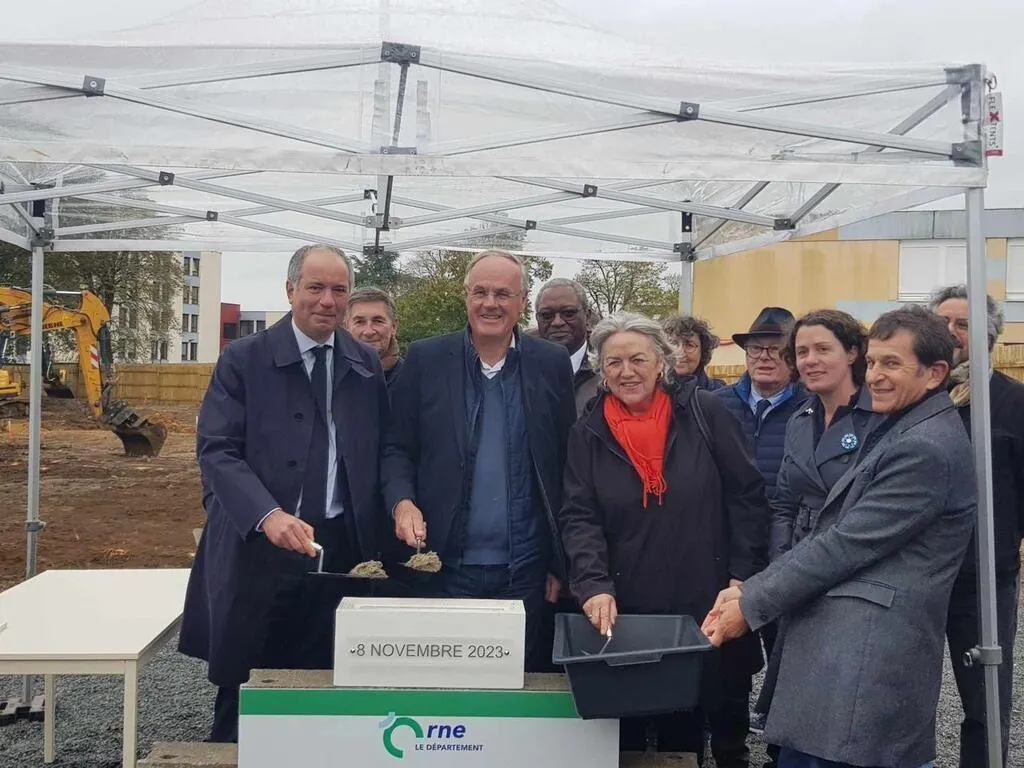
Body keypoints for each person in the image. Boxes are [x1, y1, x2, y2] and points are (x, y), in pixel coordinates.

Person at [702, 305, 977, 768]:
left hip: (869, 653)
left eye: (892, 364)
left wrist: (751, 604)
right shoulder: (896, 425)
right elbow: (805, 517)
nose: (877, 376)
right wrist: (753, 586)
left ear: (935, 374)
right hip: (836, 639)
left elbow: (845, 541)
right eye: (874, 362)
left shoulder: (924, 448)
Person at [179, 244, 389, 744]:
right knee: (246, 685)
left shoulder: (364, 364)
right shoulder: (243, 360)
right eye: (315, 288)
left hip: (337, 550)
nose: (328, 300)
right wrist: (267, 513)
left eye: (339, 290)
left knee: (324, 681)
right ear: (291, 289)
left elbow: (381, 450)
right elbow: (217, 450)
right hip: (260, 548)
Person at [559, 312, 768, 766]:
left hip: (703, 600)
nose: (626, 371)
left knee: (687, 732)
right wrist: (592, 583)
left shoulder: (704, 412)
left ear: (662, 364)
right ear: (601, 369)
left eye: (637, 359)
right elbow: (580, 516)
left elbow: (748, 496)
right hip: (626, 605)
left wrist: (741, 576)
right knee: (625, 734)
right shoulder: (587, 433)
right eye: (613, 362)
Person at [382, 250, 577, 669]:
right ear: (465, 296)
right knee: (450, 684)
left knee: (518, 689)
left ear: (522, 302)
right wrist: (402, 501)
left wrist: (560, 562)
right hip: (444, 564)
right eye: (481, 292)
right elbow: (397, 446)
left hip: (525, 569)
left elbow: (565, 463)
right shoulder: (427, 359)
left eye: (503, 293)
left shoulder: (551, 363)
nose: (491, 303)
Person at [754, 310, 878, 764]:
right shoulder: (800, 419)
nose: (810, 360)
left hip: (849, 567)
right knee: (796, 685)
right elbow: (783, 503)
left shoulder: (876, 419)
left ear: (852, 352)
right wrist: (781, 563)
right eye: (802, 351)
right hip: (797, 564)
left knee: (839, 698)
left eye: (823, 349)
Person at [929, 285, 1024, 768]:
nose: (951, 334)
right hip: (918, 574)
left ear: (990, 335)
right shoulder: (918, 400)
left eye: (962, 324)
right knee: (904, 696)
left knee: (984, 702)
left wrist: (1006, 546)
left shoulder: (1013, 402)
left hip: (982, 580)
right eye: (942, 323)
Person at [714, 306, 804, 743]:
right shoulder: (716, 404)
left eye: (775, 348)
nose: (764, 356)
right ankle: (731, 750)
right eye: (756, 348)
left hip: (790, 551)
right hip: (731, 550)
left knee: (790, 655)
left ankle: (782, 749)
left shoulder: (813, 407)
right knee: (732, 654)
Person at [535, 277, 600, 413]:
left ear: (587, 316)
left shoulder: (608, 370)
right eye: (547, 315)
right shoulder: (519, 368)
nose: (557, 322)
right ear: (537, 319)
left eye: (568, 313)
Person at [344, 286, 404, 385]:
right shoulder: (330, 378)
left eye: (378, 321)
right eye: (360, 322)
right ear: (346, 327)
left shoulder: (414, 380)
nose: (369, 332)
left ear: (394, 326)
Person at [662, 314, 727, 391]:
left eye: (689, 345)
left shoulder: (718, 393)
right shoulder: (650, 391)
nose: (680, 352)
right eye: (673, 344)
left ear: (702, 352)